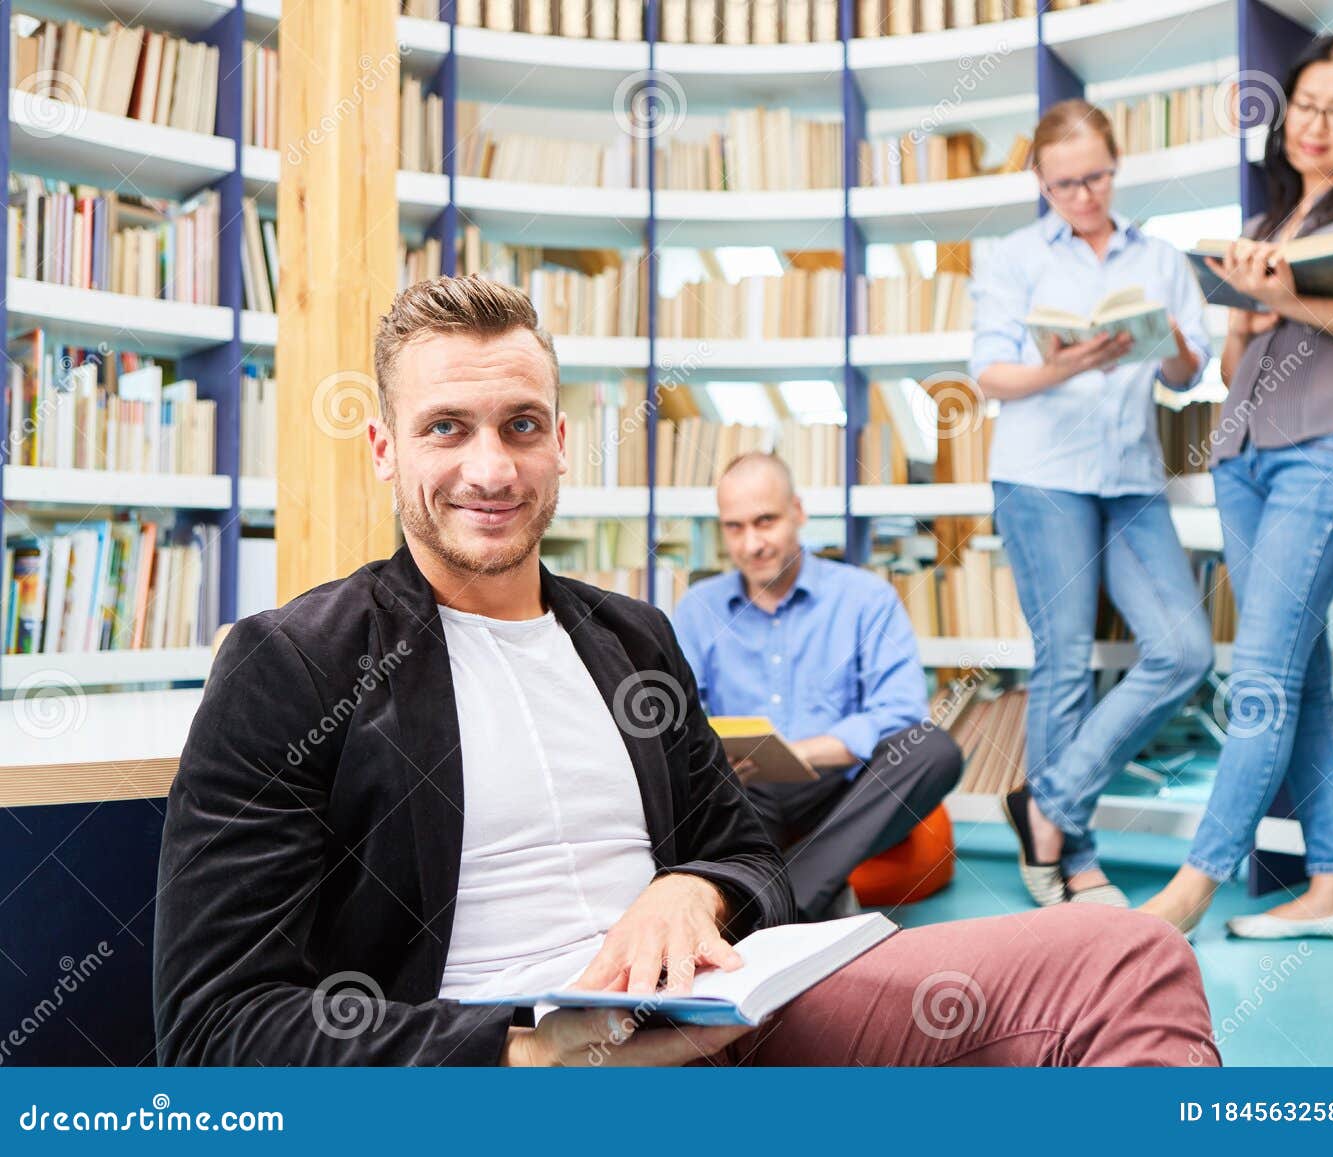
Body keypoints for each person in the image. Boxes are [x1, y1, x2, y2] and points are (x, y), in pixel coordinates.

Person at [153, 274, 1220, 1067]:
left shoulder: (631, 639)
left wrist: (691, 885)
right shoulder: (293, 664)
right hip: (507, 1072)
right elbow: (213, 1025)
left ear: (560, 441)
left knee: (1128, 952)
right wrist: (523, 1048)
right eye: (447, 429)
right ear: (385, 447)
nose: (490, 467)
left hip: (725, 1024)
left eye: (520, 426)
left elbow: (748, 846)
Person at [1140, 33, 1333, 939]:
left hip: (1330, 451)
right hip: (1244, 455)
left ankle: (1190, 888)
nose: (1314, 125)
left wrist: (1289, 301)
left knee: (1261, 672)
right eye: (1303, 105)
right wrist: (1238, 310)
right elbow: (1241, 364)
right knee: (1298, 676)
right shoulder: (1271, 223)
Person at [970, 99, 1215, 909]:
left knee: (1185, 651)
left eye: (1097, 177)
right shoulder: (1012, 257)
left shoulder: (1161, 257)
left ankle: (1050, 799)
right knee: (1064, 662)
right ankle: (1072, 860)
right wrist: (1073, 362)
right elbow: (992, 374)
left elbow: (1186, 377)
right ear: (1040, 179)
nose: (1083, 195)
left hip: (1132, 476)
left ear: (1117, 166)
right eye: (1066, 182)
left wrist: (1171, 345)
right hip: (1042, 475)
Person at [671, 452, 963, 923]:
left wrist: (803, 752)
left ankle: (786, 895)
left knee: (934, 749)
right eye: (735, 527)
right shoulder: (697, 608)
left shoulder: (866, 597)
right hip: (743, 790)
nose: (752, 544)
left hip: (841, 793)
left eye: (765, 521)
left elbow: (901, 710)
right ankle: (815, 889)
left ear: (799, 512)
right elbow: (682, 713)